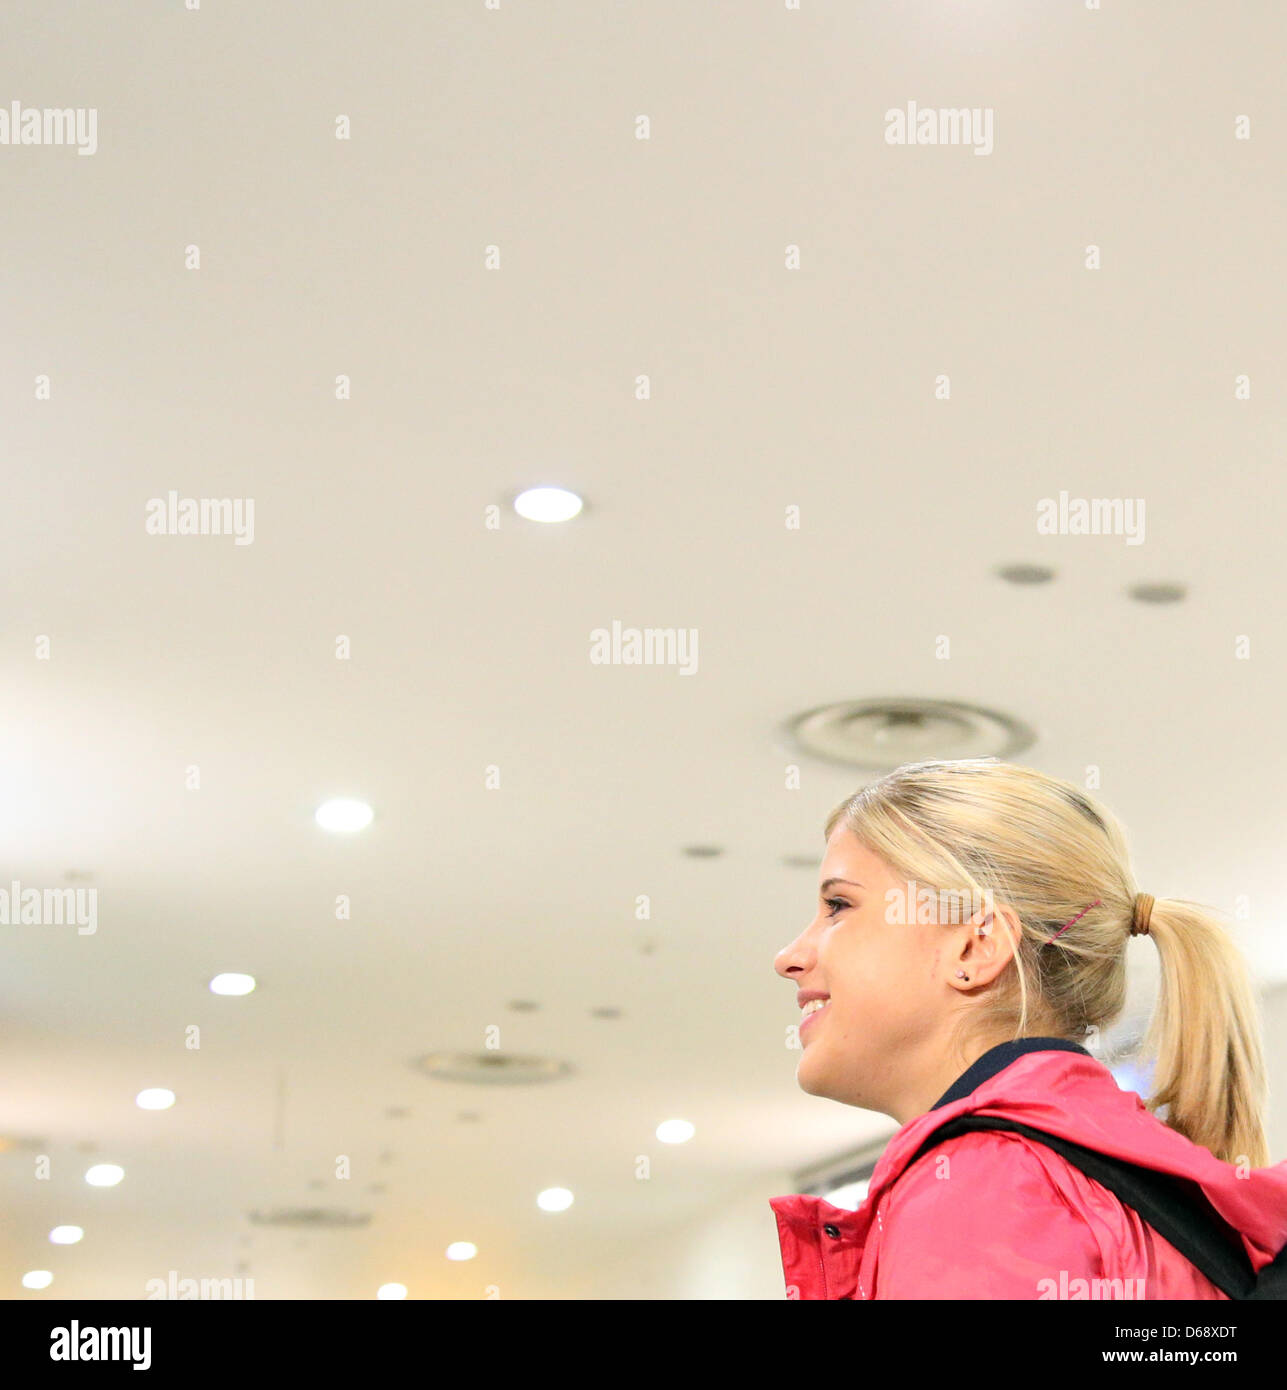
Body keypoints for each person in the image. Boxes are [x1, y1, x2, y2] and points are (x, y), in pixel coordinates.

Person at [771, 757, 1287, 1299]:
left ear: (976, 946)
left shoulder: (983, 1184)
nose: (789, 957)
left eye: (838, 905)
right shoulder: (1112, 1177)